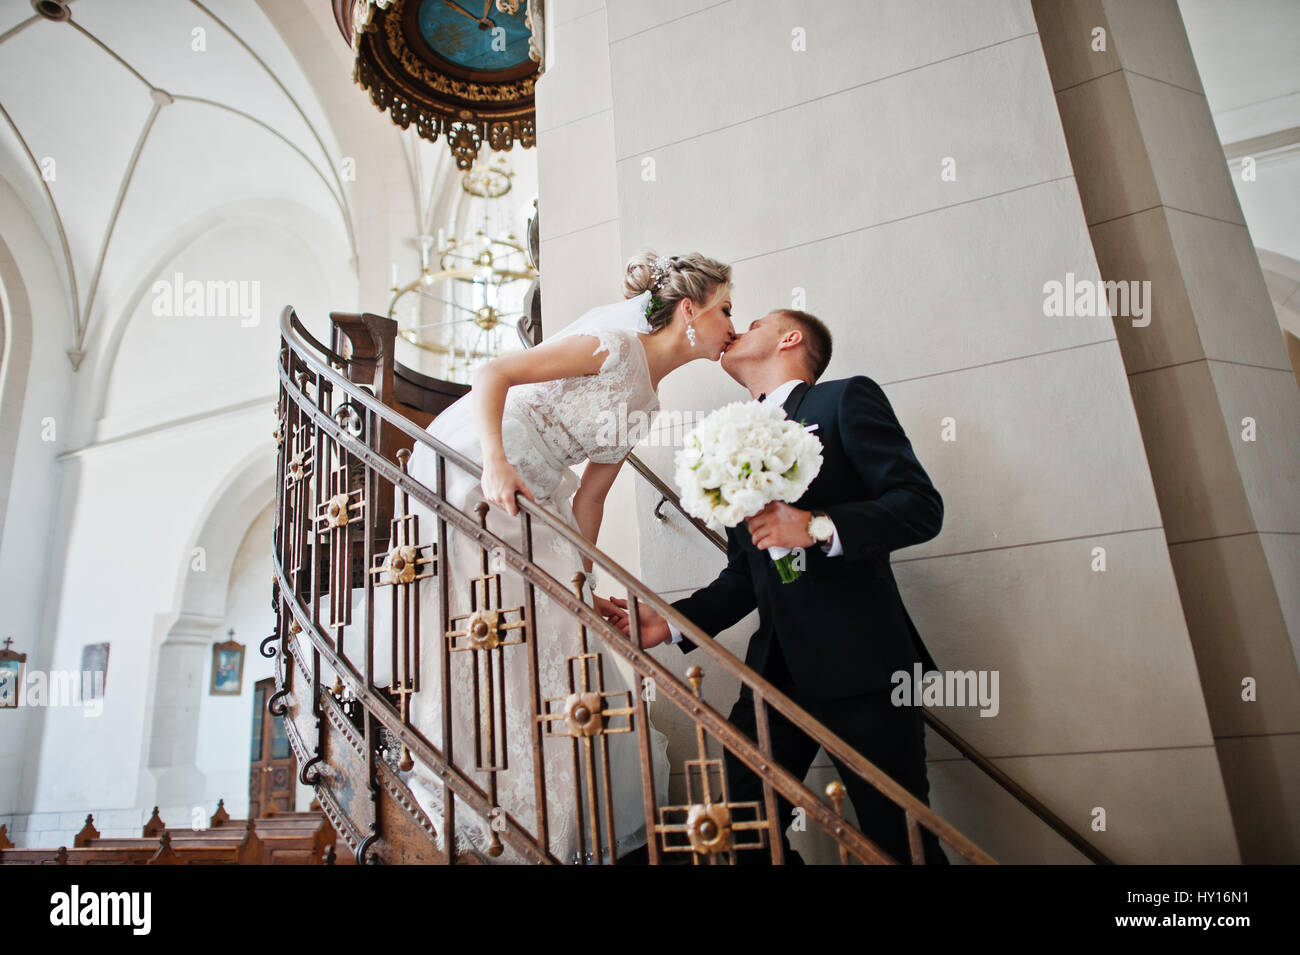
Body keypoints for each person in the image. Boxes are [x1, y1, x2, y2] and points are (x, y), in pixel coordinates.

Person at [399, 250, 737, 864]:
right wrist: (497, 461)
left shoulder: (648, 403)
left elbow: (592, 495)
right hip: (482, 461)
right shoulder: (609, 343)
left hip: (542, 490)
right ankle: (454, 773)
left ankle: (535, 813)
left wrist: (580, 573)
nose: (732, 326)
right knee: (486, 624)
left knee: (554, 629)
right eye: (725, 310)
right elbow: (494, 372)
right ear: (689, 310)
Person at [603, 308, 950, 865]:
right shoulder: (724, 438)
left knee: (898, 839)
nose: (739, 327)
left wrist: (813, 526)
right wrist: (668, 623)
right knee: (741, 828)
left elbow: (919, 507)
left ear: (792, 339)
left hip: (863, 663)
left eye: (758, 320)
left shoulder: (842, 400)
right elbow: (744, 573)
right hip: (772, 675)